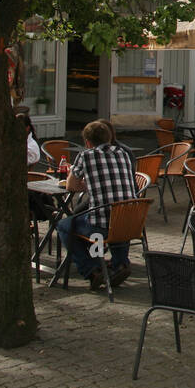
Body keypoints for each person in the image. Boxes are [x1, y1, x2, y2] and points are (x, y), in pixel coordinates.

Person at [59, 120, 138, 289]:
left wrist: (86, 185)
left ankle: (92, 269)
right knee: (113, 212)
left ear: (87, 142)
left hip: (103, 224)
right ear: (110, 138)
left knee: (65, 225)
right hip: (130, 221)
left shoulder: (86, 156)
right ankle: (120, 263)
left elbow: (70, 186)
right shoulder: (124, 154)